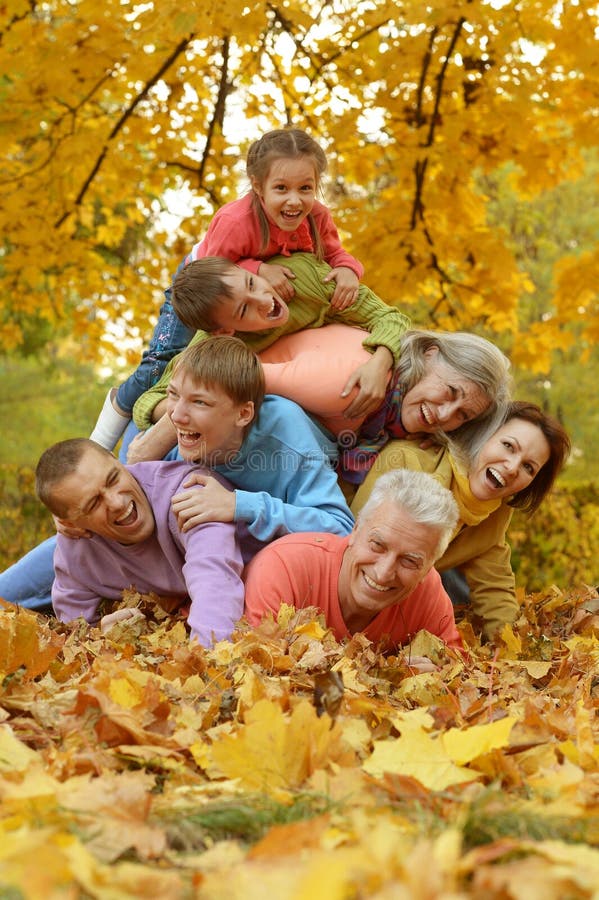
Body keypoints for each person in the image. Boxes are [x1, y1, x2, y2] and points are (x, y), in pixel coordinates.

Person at [0, 336, 354, 610]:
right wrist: (67, 510)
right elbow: (111, 491)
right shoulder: (172, 436)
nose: (177, 416)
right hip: (157, 556)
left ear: (243, 414)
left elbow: (340, 528)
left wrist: (239, 505)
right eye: (174, 395)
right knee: (12, 589)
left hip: (231, 566)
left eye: (199, 402)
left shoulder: (286, 438)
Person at [90, 128, 367, 449]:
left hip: (251, 299)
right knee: (160, 363)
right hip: (200, 288)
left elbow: (334, 253)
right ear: (257, 185)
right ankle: (105, 432)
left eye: (305, 188)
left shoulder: (316, 217)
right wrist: (259, 269)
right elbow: (214, 274)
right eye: (281, 188)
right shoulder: (235, 221)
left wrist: (348, 270)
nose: (295, 200)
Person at [349, 401, 571, 640]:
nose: (512, 467)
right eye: (508, 446)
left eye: (529, 467)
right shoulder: (408, 462)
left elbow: (494, 588)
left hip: (400, 595)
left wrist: (512, 648)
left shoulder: (495, 512)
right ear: (483, 434)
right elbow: (351, 542)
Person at [33, 439, 248, 647]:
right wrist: (100, 637)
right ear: (69, 523)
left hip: (252, 581)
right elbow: (74, 637)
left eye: (113, 479)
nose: (117, 502)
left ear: (117, 461)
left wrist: (203, 660)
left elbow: (215, 580)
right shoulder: (75, 550)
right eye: (93, 503)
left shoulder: (187, 492)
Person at [244, 468, 464, 663]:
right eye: (377, 545)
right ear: (356, 529)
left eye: (409, 561)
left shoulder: (428, 591)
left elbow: (457, 669)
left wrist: (436, 675)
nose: (383, 573)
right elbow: (257, 668)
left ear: (428, 568)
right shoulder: (283, 569)